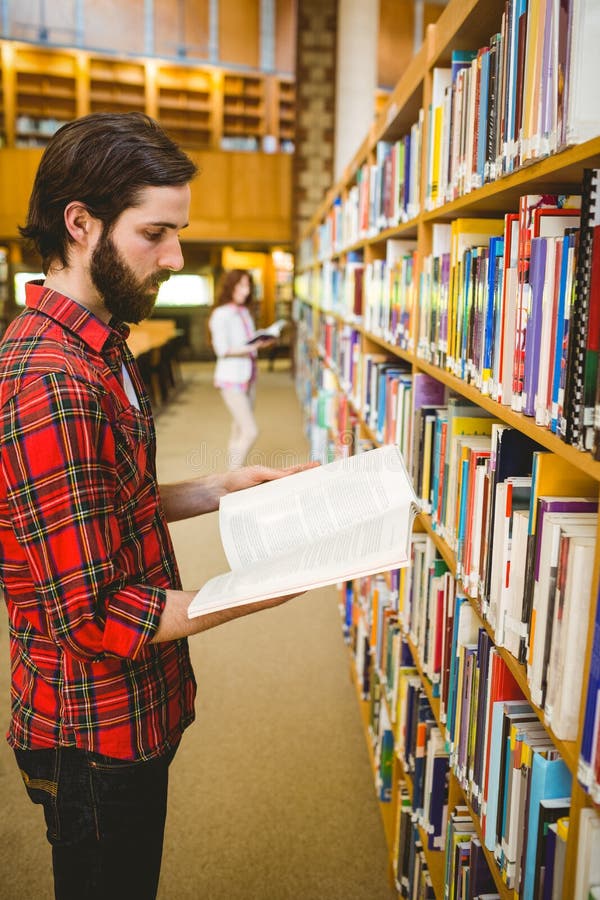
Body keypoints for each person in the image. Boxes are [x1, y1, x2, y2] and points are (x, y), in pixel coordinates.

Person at [0, 112, 310, 900]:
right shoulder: (51, 379)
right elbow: (93, 612)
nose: (175, 257)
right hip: (93, 732)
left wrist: (214, 490)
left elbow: (101, 506)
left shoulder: (98, 344)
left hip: (131, 708)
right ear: (80, 224)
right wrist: (259, 587)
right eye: (155, 233)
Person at [208, 268, 275, 469]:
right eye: (241, 286)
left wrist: (260, 341)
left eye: (248, 286)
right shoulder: (220, 314)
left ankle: (232, 474)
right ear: (231, 286)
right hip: (231, 378)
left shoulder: (245, 311)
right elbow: (222, 349)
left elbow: (247, 340)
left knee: (238, 427)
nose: (246, 291)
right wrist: (251, 347)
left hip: (249, 375)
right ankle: (234, 478)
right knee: (250, 430)